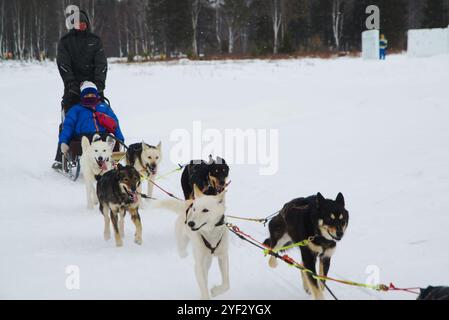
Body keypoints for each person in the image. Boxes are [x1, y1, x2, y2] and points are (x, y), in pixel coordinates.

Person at [52, 10, 108, 170]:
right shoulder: (65, 42)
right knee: (68, 120)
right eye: (77, 24)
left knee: (102, 117)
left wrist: (98, 85)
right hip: (73, 90)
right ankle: (61, 155)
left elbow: (101, 64)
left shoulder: (95, 41)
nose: (80, 26)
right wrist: (71, 85)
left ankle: (103, 151)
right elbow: (63, 65)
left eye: (83, 24)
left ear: (87, 24)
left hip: (94, 89)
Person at [59, 81, 125, 157]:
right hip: (82, 136)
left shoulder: (104, 107)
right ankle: (97, 143)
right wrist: (63, 142)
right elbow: (68, 126)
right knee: (84, 140)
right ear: (82, 96)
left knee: (109, 137)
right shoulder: (76, 109)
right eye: (87, 95)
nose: (90, 97)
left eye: (92, 94)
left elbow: (115, 123)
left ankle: (107, 144)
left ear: (96, 95)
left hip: (103, 134)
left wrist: (120, 139)